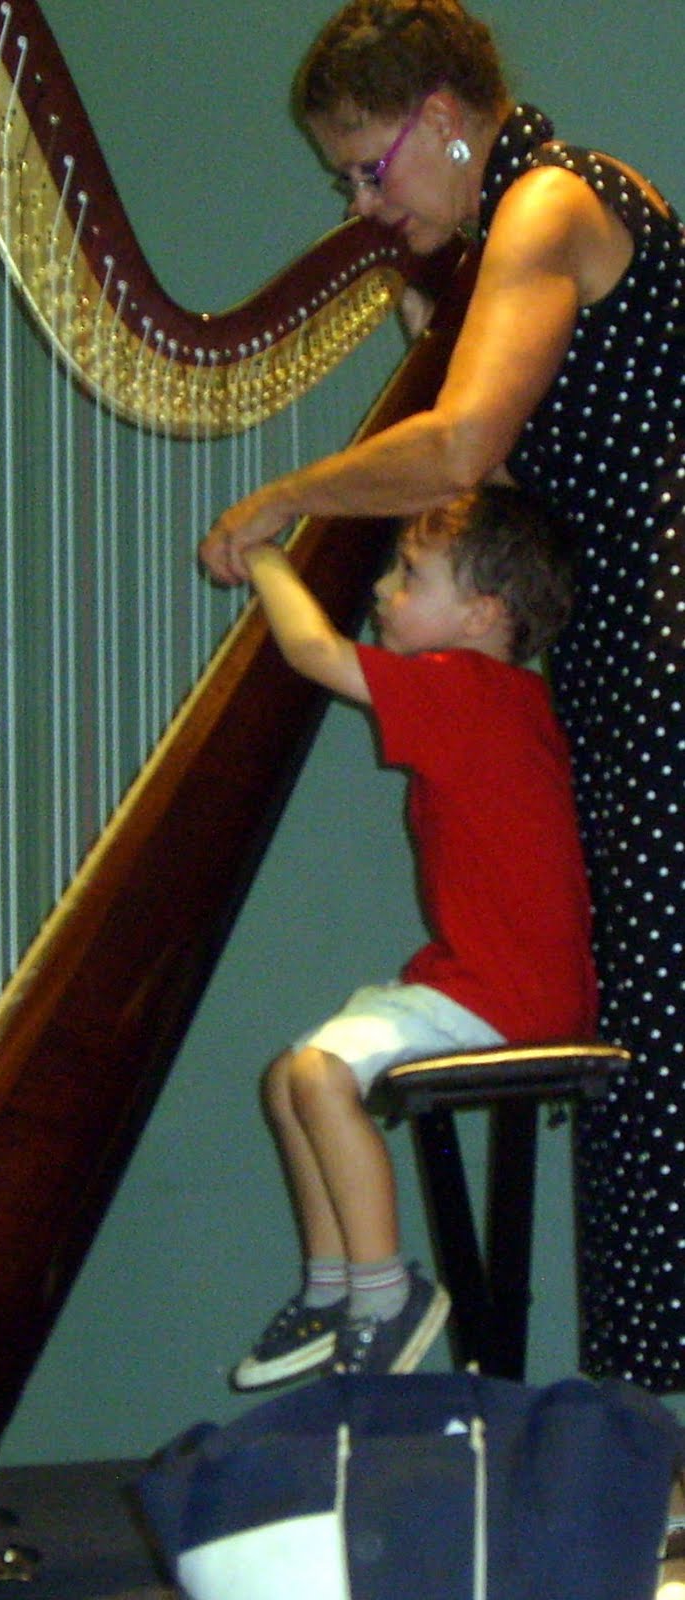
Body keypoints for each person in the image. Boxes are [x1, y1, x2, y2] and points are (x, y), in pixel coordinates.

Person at [201, 0, 684, 1395]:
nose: (361, 200)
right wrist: (427, 298)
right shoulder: (516, 238)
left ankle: (658, 1445)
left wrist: (287, 496)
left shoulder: (544, 206)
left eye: (368, 166)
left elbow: (465, 440)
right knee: (642, 1056)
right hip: (625, 663)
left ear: (449, 118)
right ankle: (650, 1438)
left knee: (655, 1062)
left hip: (659, 669)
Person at [232, 486, 596, 1387]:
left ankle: (385, 1296)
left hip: (507, 992)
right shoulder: (490, 698)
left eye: (409, 574)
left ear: (483, 613)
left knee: (318, 1076)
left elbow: (313, 651)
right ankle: (331, 1287)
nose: (385, 590)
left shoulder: (466, 688)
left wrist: (265, 552)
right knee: (291, 1077)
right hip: (477, 979)